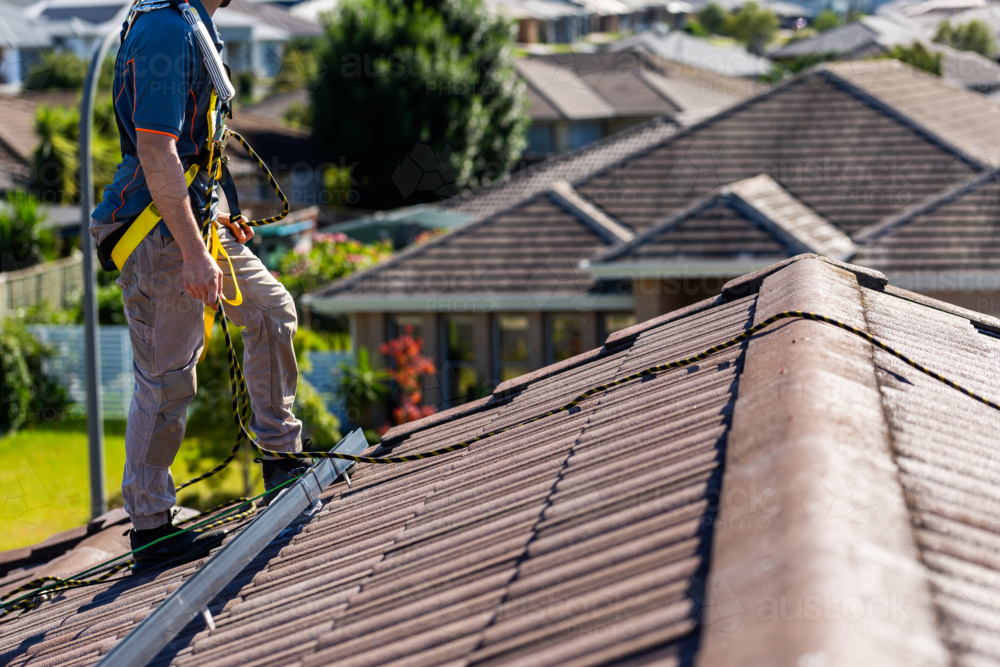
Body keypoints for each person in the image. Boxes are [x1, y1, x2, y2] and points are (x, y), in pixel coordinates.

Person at [90, 0, 307, 566]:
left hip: (193, 217)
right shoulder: (166, 30)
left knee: (269, 311)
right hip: (159, 231)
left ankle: (281, 458)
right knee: (167, 378)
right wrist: (193, 253)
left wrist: (223, 210)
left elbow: (200, 143)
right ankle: (151, 527)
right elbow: (156, 148)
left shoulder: (189, 22)